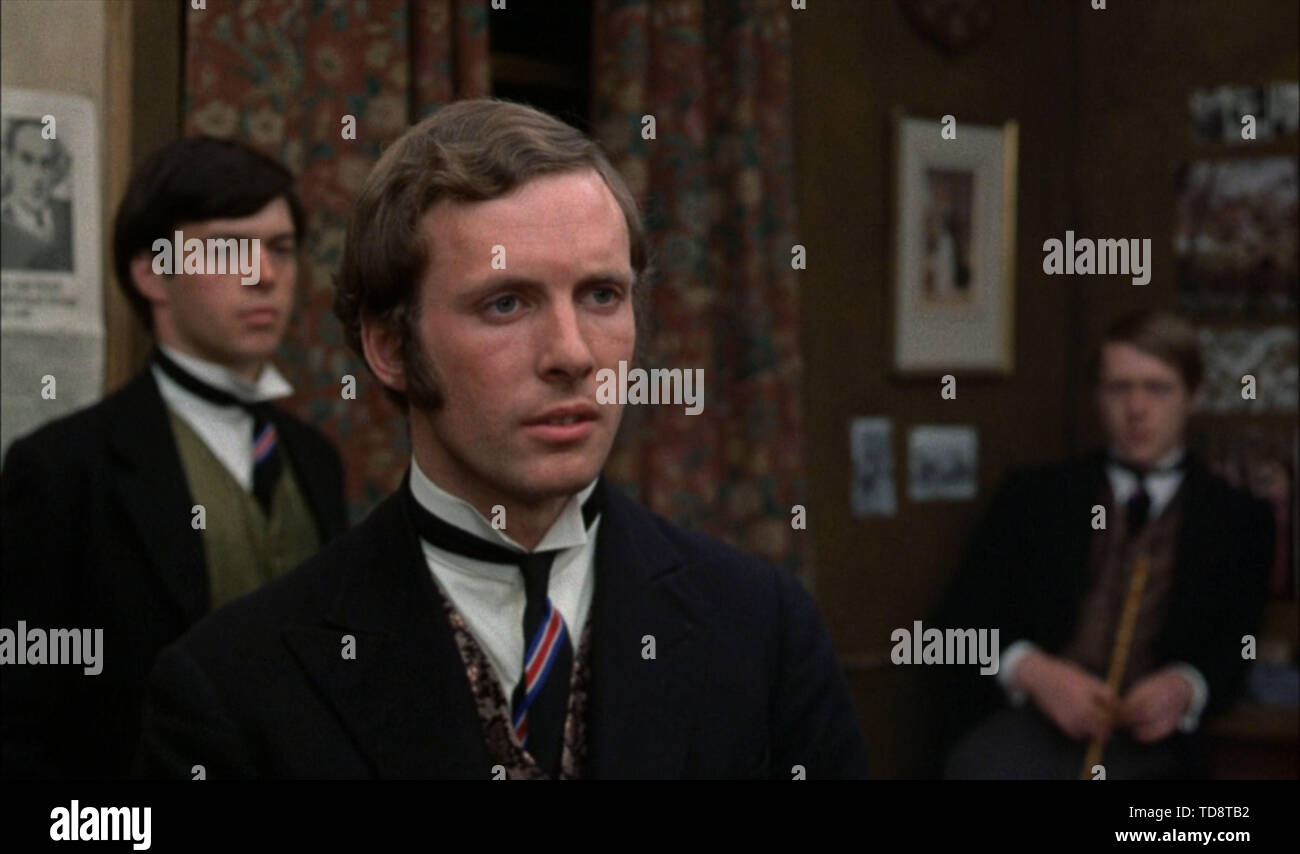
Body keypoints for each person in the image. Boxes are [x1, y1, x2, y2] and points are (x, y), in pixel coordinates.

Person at [133, 99, 869, 779]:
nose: (573, 353)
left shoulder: (761, 629)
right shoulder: (237, 686)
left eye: (601, 295)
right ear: (391, 344)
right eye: (506, 303)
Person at [1, 137, 348, 778]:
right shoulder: (63, 470)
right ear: (152, 273)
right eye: (229, 248)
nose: (265, 274)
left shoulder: (314, 460)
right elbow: (19, 722)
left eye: (279, 248)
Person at [932, 309, 1272, 779]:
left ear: (1192, 396)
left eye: (1157, 388)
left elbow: (1239, 646)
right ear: (1098, 396)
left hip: (1155, 750)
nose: (1137, 408)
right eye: (1119, 388)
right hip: (1030, 732)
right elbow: (956, 623)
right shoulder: (1034, 496)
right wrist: (1034, 673)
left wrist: (1187, 686)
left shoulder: (1239, 518)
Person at [1, 117, 73, 272]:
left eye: (45, 163)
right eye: (26, 160)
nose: (37, 176)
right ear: (8, 162)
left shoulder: (70, 216)